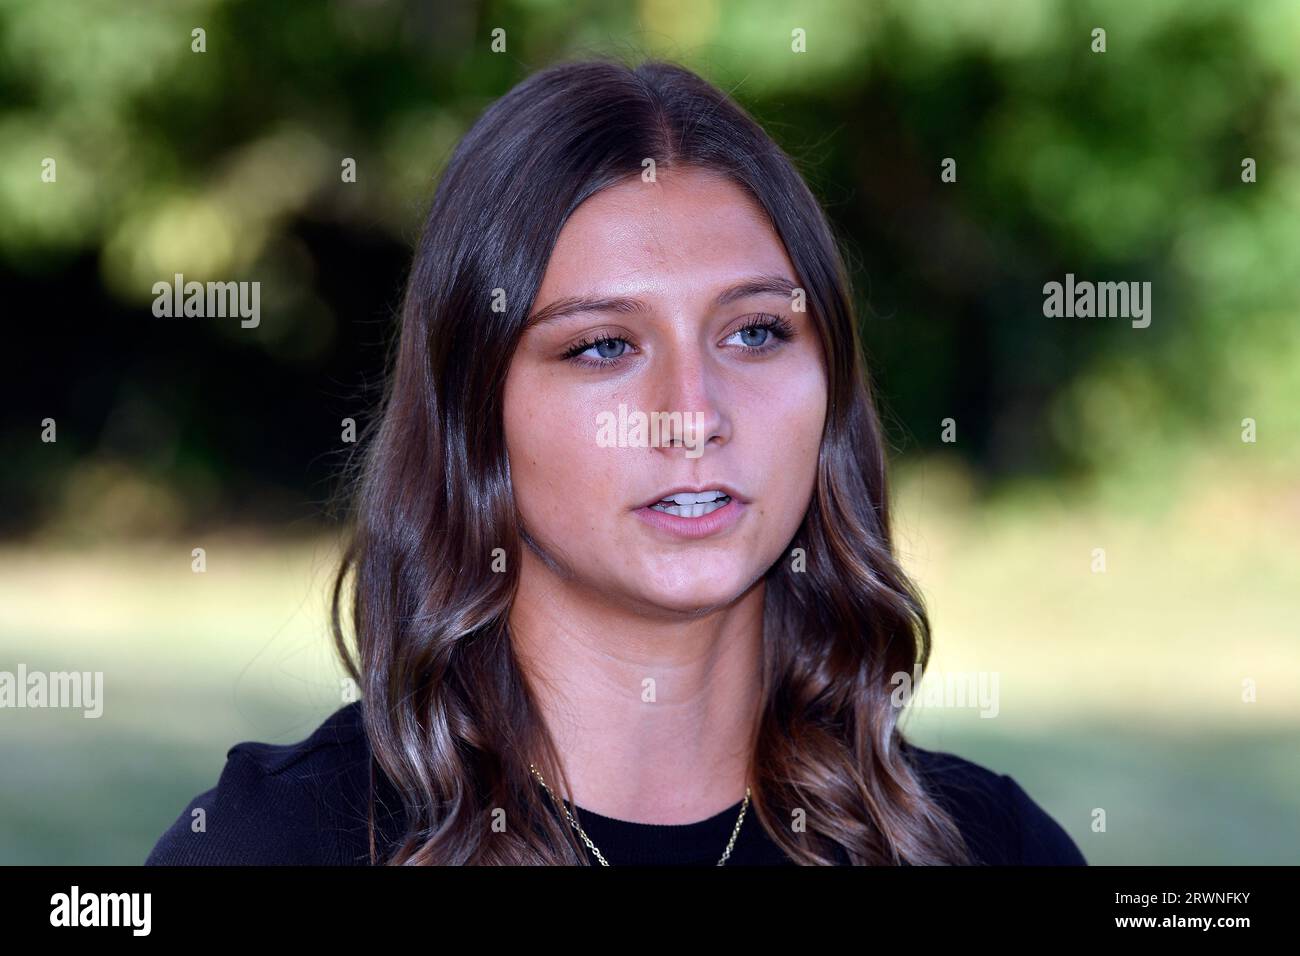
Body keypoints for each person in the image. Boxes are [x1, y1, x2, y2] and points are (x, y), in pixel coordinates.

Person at [147, 57, 1086, 866]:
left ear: (832, 389)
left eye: (756, 332)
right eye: (601, 346)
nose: (692, 417)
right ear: (476, 411)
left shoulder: (976, 843)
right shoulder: (279, 842)